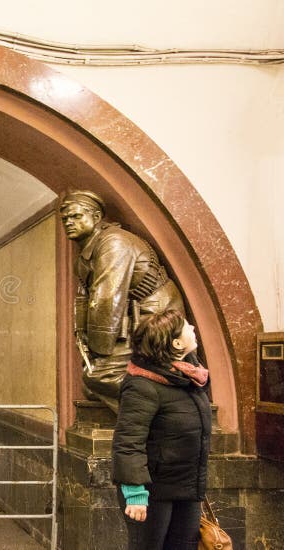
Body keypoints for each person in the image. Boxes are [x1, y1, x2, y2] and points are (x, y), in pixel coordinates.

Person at [59, 190, 184, 412]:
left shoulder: (113, 243)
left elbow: (107, 298)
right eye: (65, 219)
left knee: (100, 375)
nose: (69, 222)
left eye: (76, 216)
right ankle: (147, 416)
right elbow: (86, 297)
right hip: (135, 316)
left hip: (155, 315)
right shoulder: (90, 249)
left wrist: (99, 352)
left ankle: (172, 407)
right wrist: (83, 337)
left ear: (96, 218)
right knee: (92, 384)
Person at [112, 308, 211, 549]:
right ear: (177, 343)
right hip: (151, 494)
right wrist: (135, 493)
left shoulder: (187, 378)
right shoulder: (142, 385)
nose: (194, 329)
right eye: (188, 326)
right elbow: (128, 442)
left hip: (187, 487)